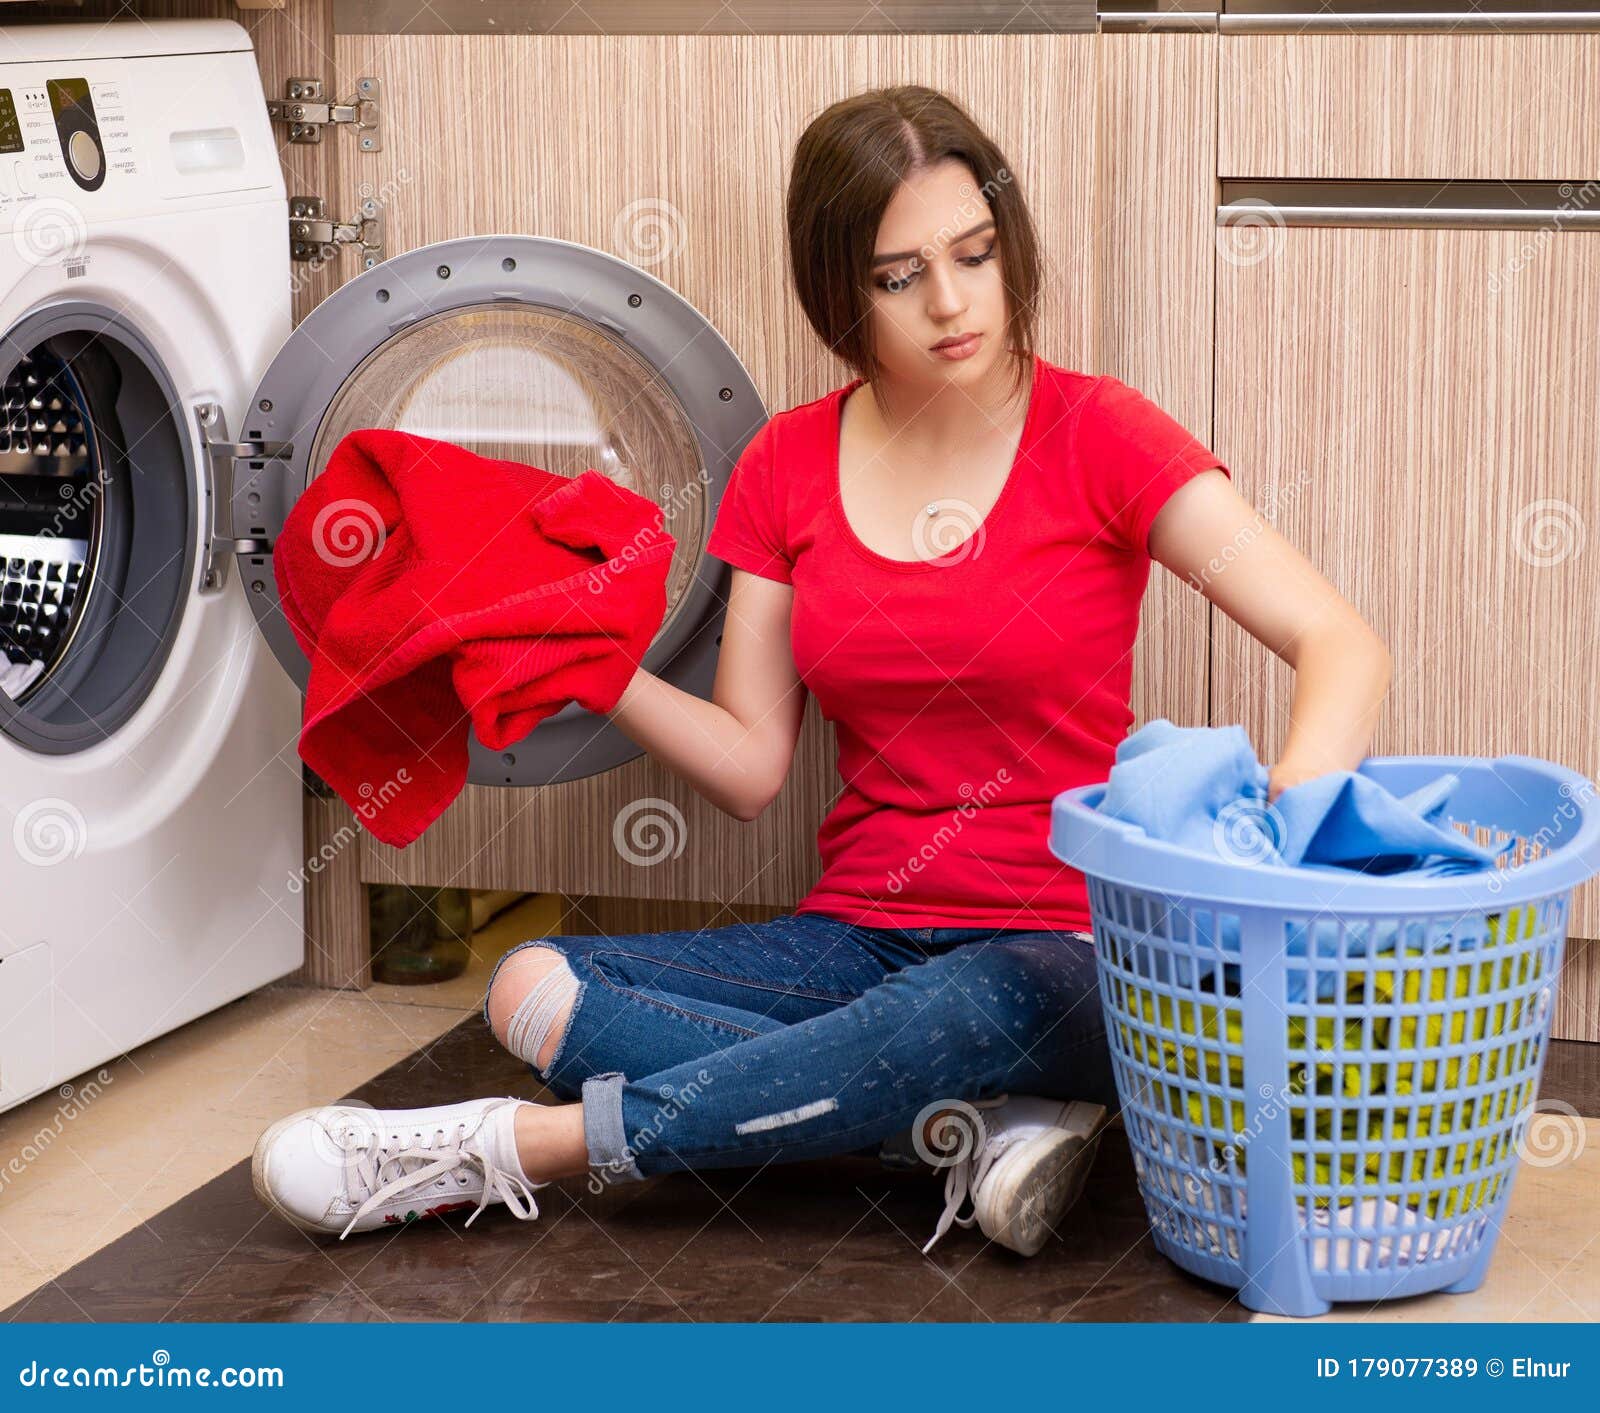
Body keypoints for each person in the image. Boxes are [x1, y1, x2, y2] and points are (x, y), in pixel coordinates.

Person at [251, 85, 1390, 1256]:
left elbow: (1338, 644)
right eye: (900, 277)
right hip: (860, 934)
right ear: (840, 289)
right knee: (531, 988)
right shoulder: (785, 465)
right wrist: (595, 668)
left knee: (971, 1004)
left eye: (974, 254)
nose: (950, 303)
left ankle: (505, 1150)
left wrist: (1275, 846)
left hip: (1075, 949)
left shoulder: (1103, 434)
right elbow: (752, 766)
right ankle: (949, 1123)